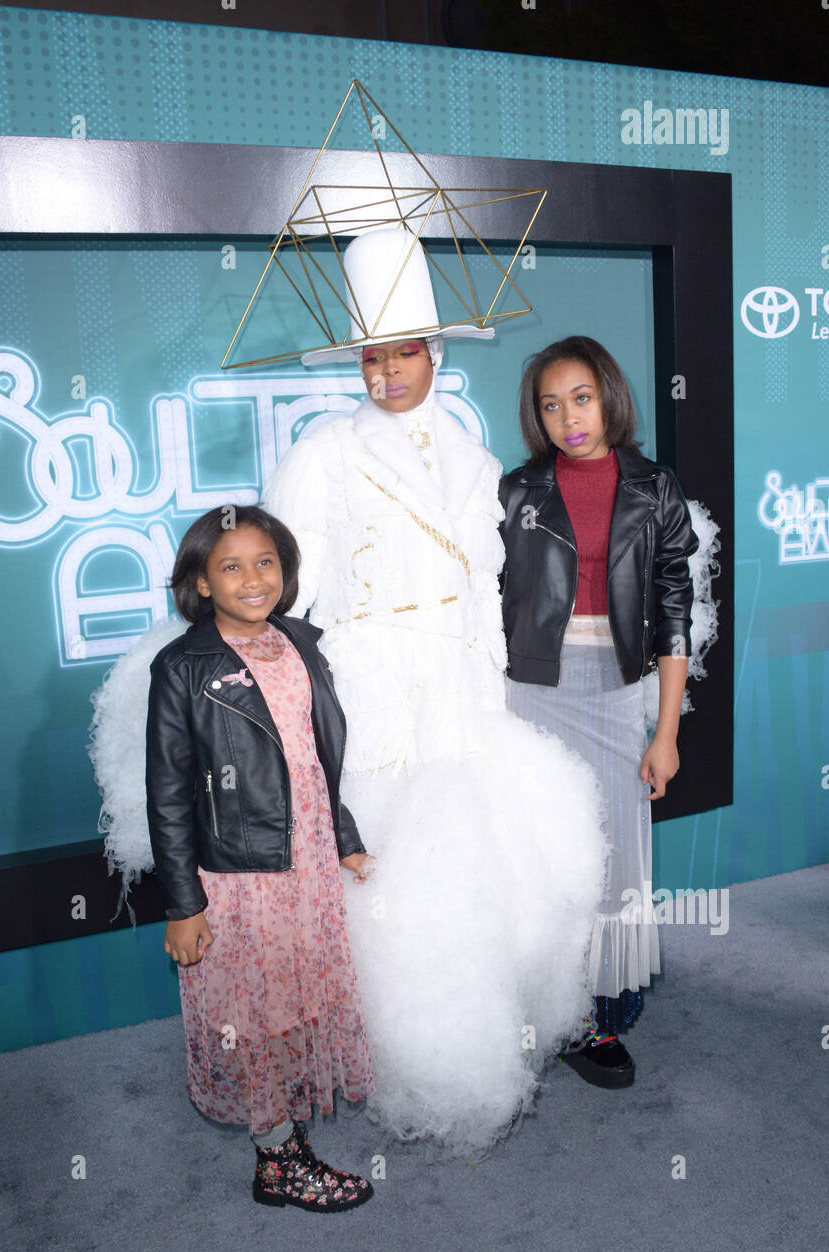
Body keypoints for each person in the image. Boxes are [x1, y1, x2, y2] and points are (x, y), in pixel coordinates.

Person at [260, 227, 607, 1156]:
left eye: (402, 352)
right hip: (374, 686)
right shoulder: (322, 452)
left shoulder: (471, 455)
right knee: (384, 875)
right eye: (370, 356)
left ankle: (485, 1038)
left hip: (460, 687)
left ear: (434, 352)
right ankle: (397, 1059)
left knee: (474, 869)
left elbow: (490, 591)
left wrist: (493, 692)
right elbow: (284, 594)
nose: (385, 373)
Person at [145, 503, 376, 1210]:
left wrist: (341, 834)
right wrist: (184, 905)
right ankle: (277, 1157)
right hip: (238, 873)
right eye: (231, 566)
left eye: (265, 561)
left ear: (286, 568)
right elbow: (169, 794)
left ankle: (285, 1140)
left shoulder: (301, 641)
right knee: (254, 1010)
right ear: (202, 583)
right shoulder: (184, 666)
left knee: (297, 1000)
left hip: (304, 860)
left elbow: (312, 759)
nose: (253, 578)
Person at [499, 336, 699, 1088]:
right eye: (549, 405)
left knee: (615, 858)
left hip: (617, 689)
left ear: (608, 396)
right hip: (531, 690)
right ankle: (542, 1005)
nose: (567, 417)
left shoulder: (654, 488)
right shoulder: (515, 492)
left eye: (579, 397)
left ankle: (598, 1019)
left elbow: (673, 612)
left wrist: (666, 731)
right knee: (541, 856)